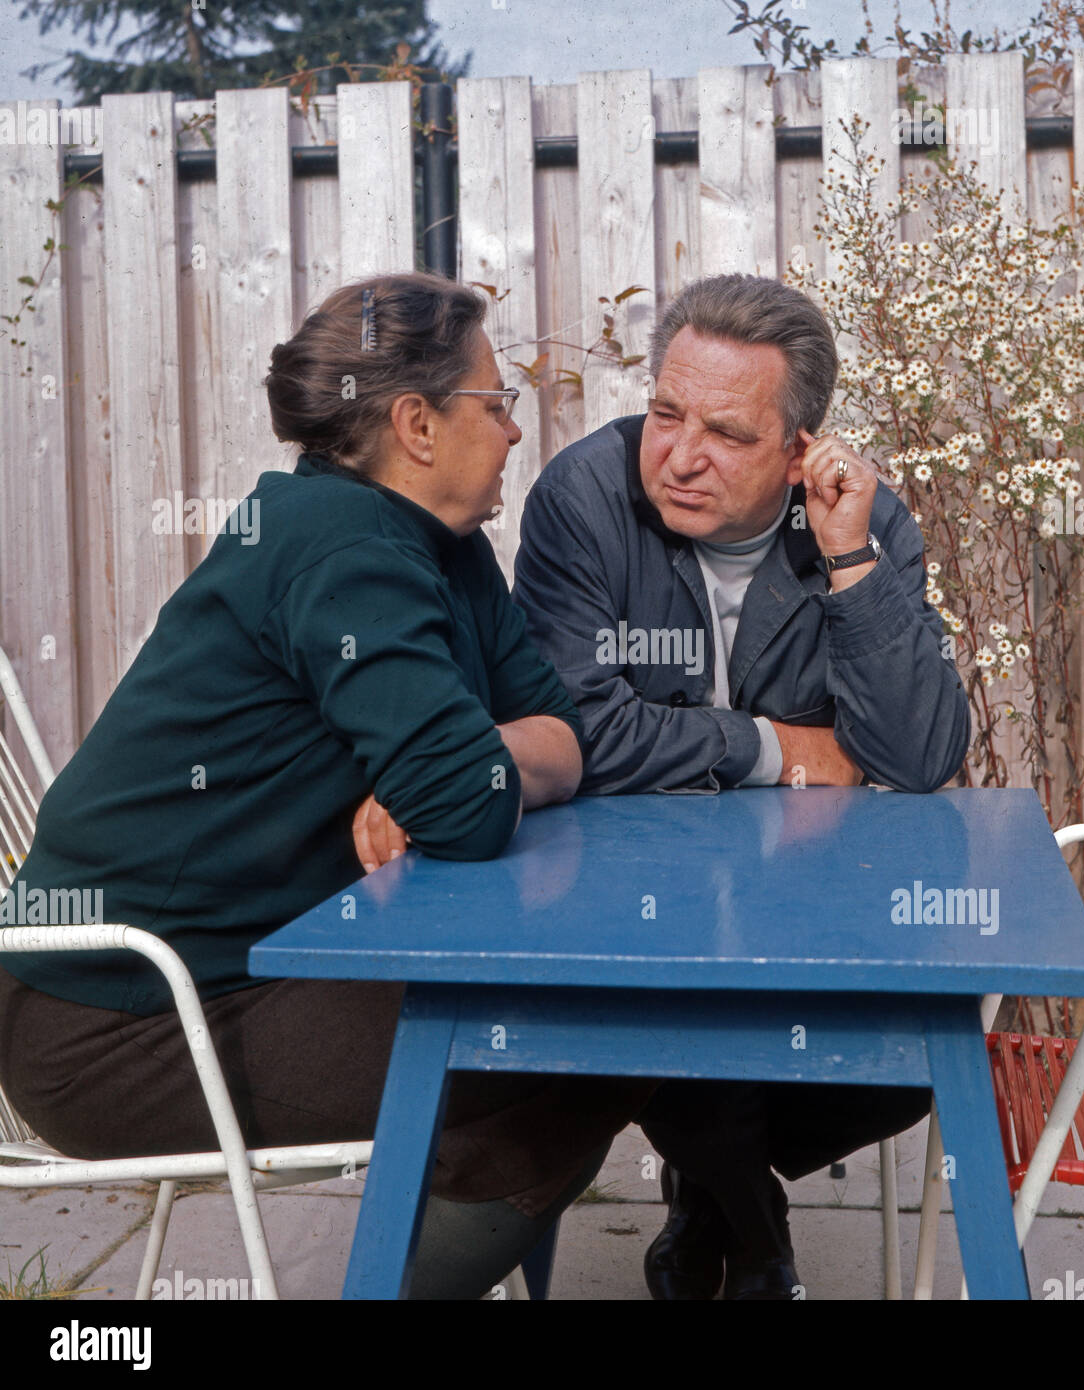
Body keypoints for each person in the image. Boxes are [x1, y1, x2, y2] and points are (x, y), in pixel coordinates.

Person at [0, 272, 655, 1299]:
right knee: (580, 1038)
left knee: (576, 1032)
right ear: (417, 424)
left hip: (246, 971)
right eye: (496, 403)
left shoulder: (442, 542)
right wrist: (459, 767)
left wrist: (466, 753)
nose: (516, 433)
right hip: (123, 1026)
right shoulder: (337, 543)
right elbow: (468, 809)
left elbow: (561, 739)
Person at [508, 273, 972, 1299]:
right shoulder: (584, 497)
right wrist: (776, 748)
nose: (678, 454)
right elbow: (576, 727)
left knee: (908, 1049)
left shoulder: (859, 517)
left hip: (806, 895)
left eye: (724, 431)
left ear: (800, 449)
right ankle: (756, 1232)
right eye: (665, 413)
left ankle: (711, 1189)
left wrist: (850, 559)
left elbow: (919, 752)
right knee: (656, 1016)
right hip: (622, 895)